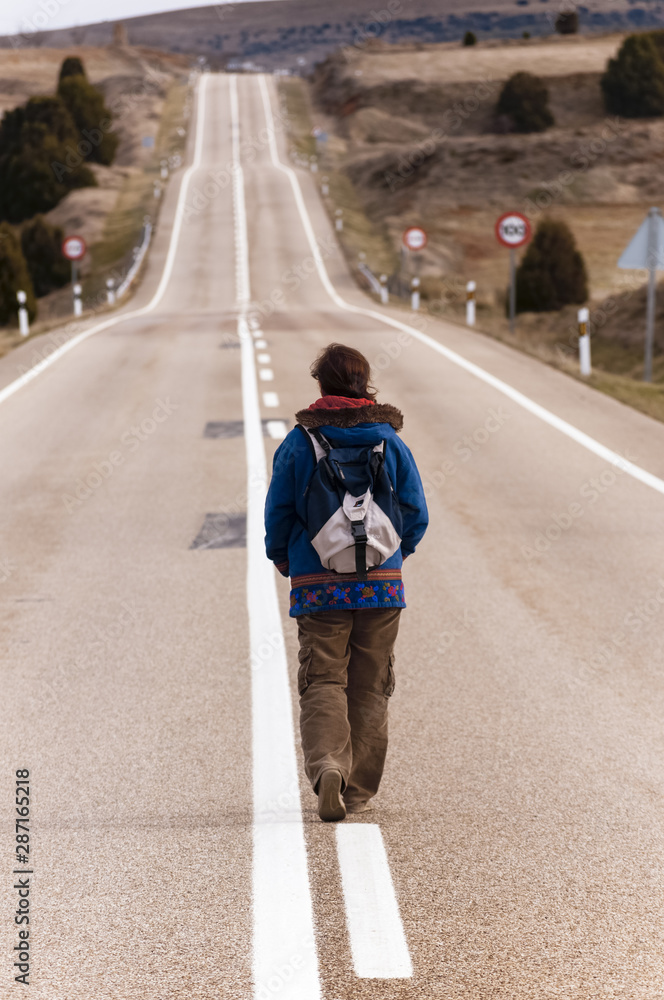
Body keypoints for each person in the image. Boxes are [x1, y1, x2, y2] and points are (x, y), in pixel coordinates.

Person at [264, 343, 428, 822]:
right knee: (371, 685)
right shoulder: (391, 441)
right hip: (383, 586)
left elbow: (279, 513)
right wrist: (391, 557)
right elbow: (415, 513)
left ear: (321, 385)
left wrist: (287, 561)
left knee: (323, 680)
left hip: (319, 584)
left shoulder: (300, 442)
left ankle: (329, 765)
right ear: (364, 384)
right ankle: (355, 790)